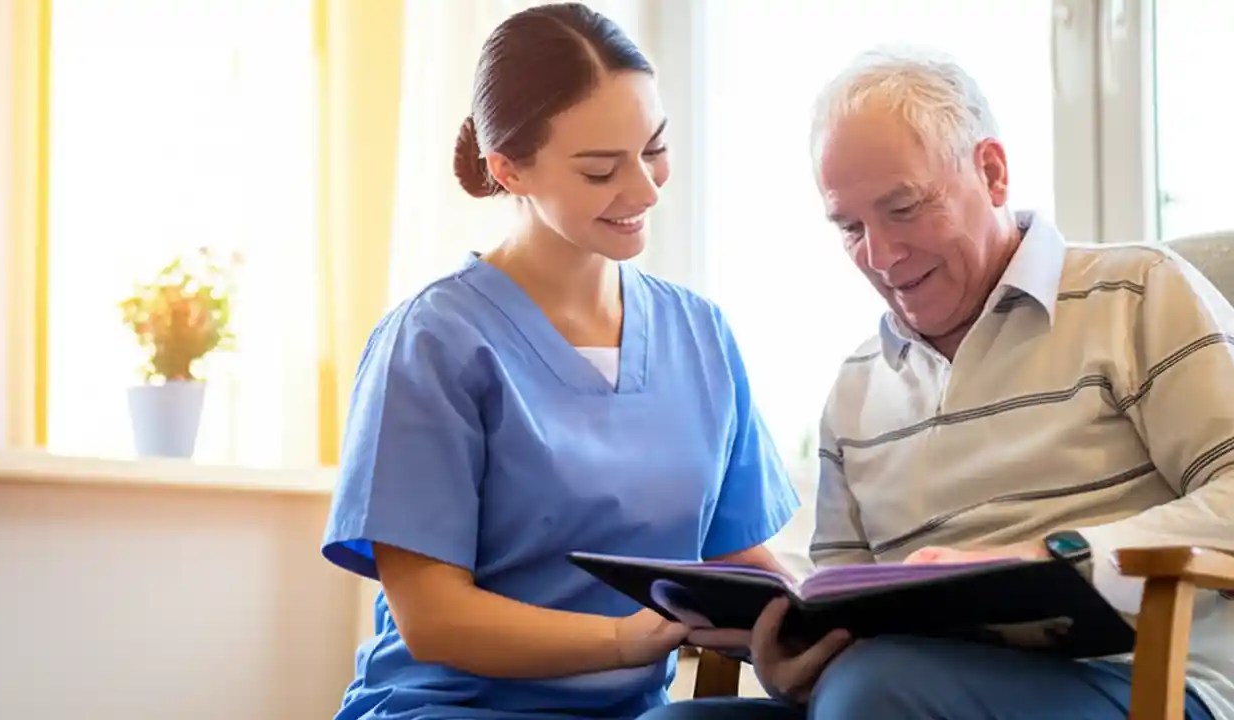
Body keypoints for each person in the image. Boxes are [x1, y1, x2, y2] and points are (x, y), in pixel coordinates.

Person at [647, 46, 1233, 720]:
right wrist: (794, 662)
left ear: (991, 171)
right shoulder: (858, 387)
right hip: (897, 687)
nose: (880, 255)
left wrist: (1047, 558)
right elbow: (841, 603)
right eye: (850, 227)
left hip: (1141, 686)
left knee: (874, 687)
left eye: (904, 208)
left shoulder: (1136, 292)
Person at [319, 4, 798, 719]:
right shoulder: (434, 342)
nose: (645, 189)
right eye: (602, 169)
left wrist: (820, 617)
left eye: (655, 148)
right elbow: (434, 618)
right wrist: (620, 640)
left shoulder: (700, 335)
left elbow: (736, 561)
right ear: (507, 168)